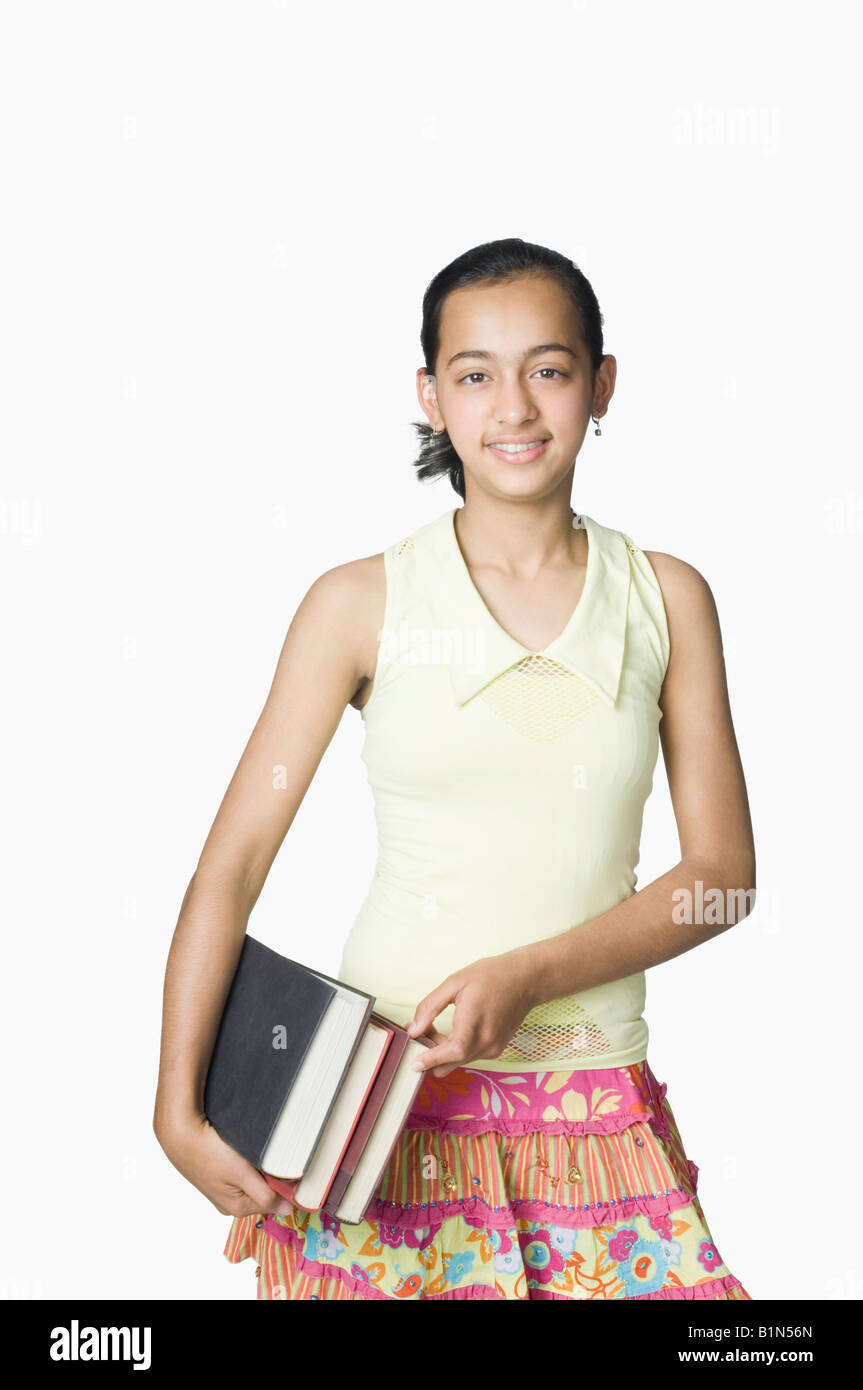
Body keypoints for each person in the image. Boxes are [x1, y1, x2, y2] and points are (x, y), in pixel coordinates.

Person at [154, 237, 756, 1301]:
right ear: (430, 395)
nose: (513, 408)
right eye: (475, 374)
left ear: (600, 383)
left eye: (548, 368)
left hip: (592, 1104)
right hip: (374, 1116)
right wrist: (173, 1102)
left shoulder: (666, 597)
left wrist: (527, 979)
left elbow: (721, 875)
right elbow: (232, 867)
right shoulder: (356, 604)